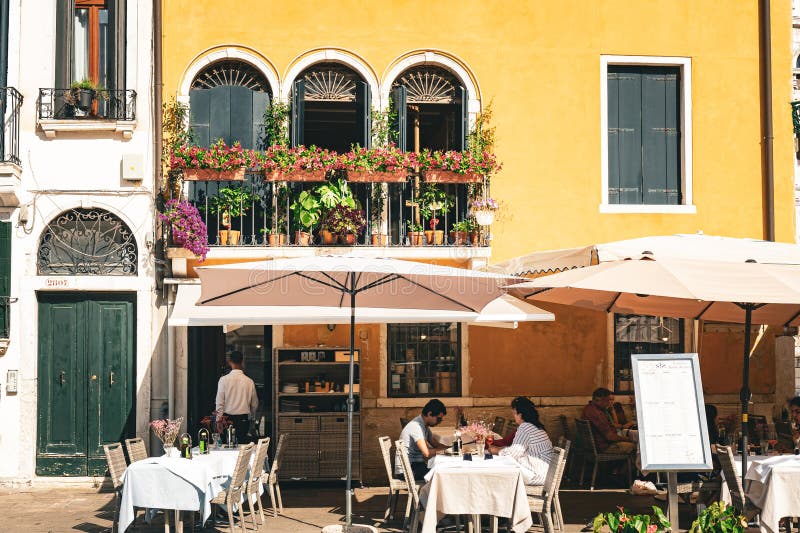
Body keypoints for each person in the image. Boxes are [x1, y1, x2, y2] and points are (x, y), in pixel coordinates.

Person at [489, 396, 553, 485]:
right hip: (545, 473)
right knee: (500, 465)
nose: (514, 417)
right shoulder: (536, 426)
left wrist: (493, 450)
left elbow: (512, 454)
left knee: (497, 468)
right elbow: (518, 449)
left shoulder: (526, 427)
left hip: (537, 474)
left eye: (514, 414)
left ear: (521, 414)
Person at [396, 399, 449, 480]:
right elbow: (427, 453)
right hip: (407, 470)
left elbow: (435, 444)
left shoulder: (424, 425)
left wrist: (451, 449)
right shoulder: (416, 426)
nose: (440, 422)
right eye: (438, 419)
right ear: (429, 414)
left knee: (442, 469)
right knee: (443, 473)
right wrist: (445, 451)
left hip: (415, 465)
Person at [215, 350, 258, 444]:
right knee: (242, 447)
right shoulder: (249, 381)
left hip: (227, 419)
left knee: (227, 447)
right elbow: (254, 404)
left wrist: (218, 420)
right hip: (243, 420)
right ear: (242, 362)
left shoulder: (223, 380)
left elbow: (219, 403)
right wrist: (252, 418)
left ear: (229, 362)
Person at [583, 388, 636, 455]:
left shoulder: (588, 408)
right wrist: (628, 439)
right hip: (604, 447)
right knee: (635, 446)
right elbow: (610, 437)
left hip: (594, 446)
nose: (609, 403)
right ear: (599, 400)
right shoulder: (597, 414)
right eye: (607, 400)